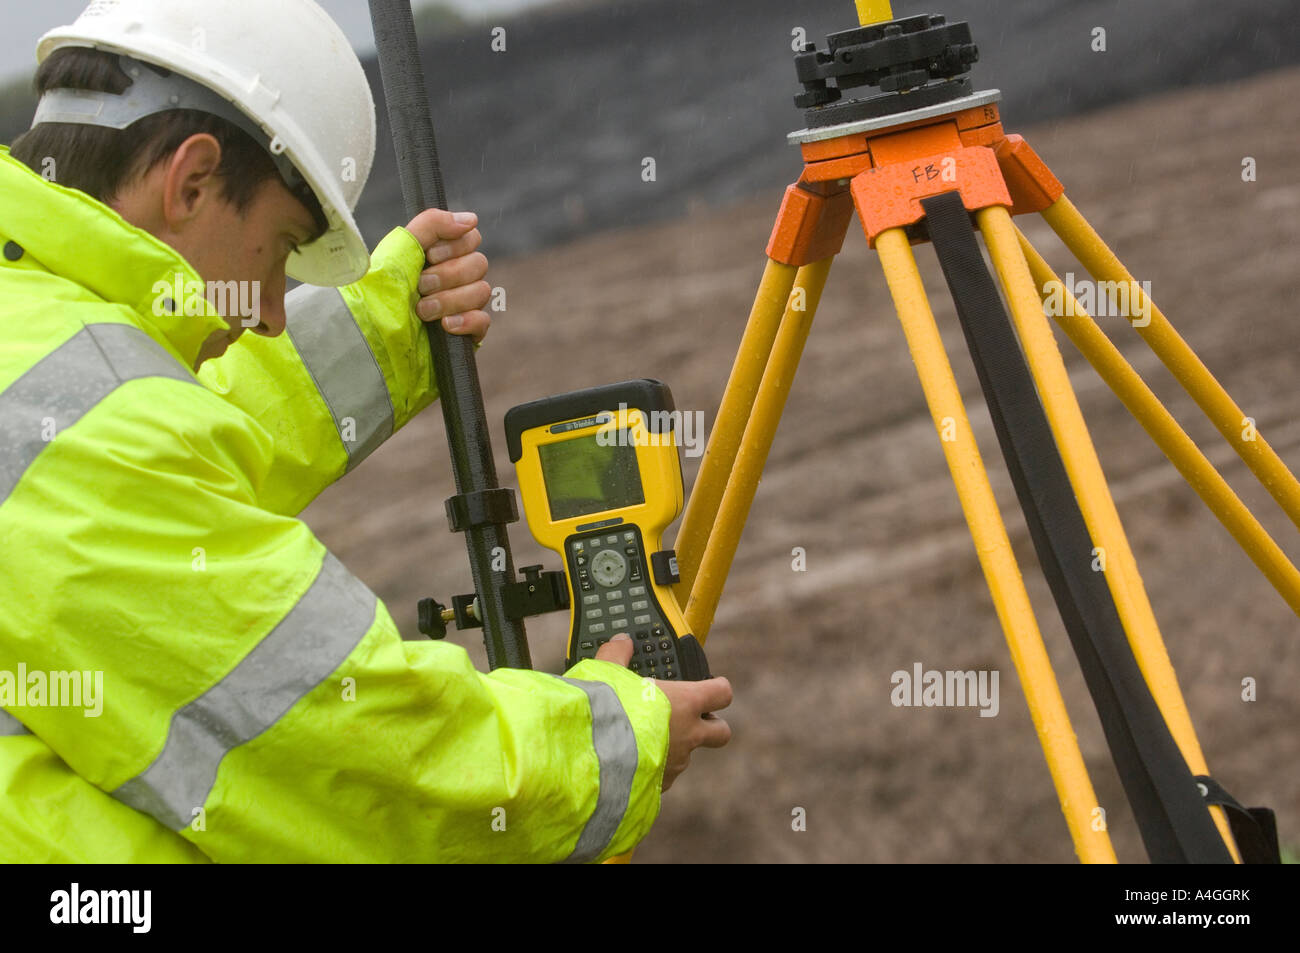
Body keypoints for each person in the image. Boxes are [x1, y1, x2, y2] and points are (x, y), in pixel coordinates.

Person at [0, 0, 732, 863]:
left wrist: (391, 325)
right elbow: (351, 749)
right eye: (277, 251)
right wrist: (611, 741)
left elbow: (162, 442)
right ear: (191, 181)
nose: (271, 314)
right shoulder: (97, 436)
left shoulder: (43, 351)